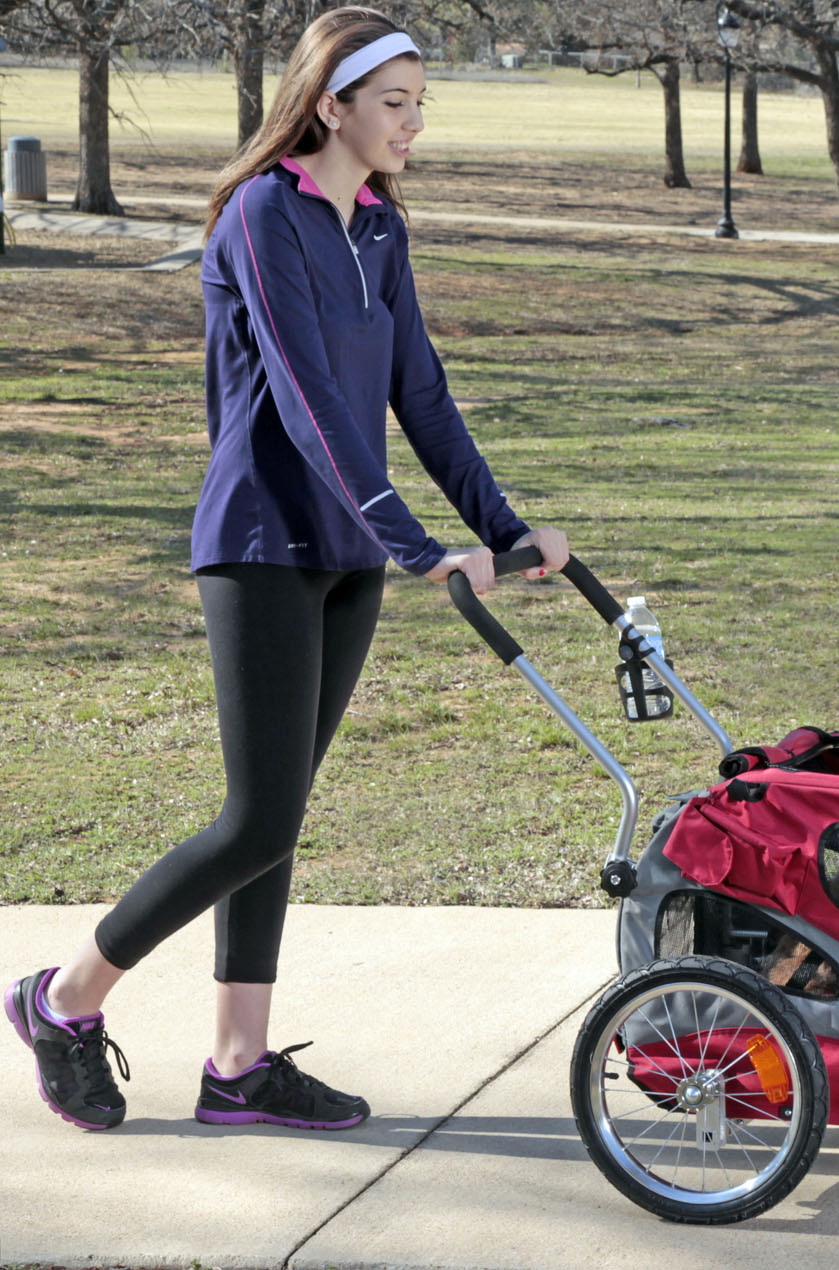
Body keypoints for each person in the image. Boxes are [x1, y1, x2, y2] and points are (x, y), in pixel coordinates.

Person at [5, 6, 568, 1133]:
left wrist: (507, 528)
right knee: (258, 816)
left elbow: (422, 394)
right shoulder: (265, 214)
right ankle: (62, 1000)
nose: (413, 124)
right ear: (332, 105)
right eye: (394, 103)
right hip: (263, 540)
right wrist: (418, 543)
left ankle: (239, 1065)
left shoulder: (380, 231)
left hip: (346, 552)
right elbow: (308, 398)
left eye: (421, 105)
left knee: (279, 815)